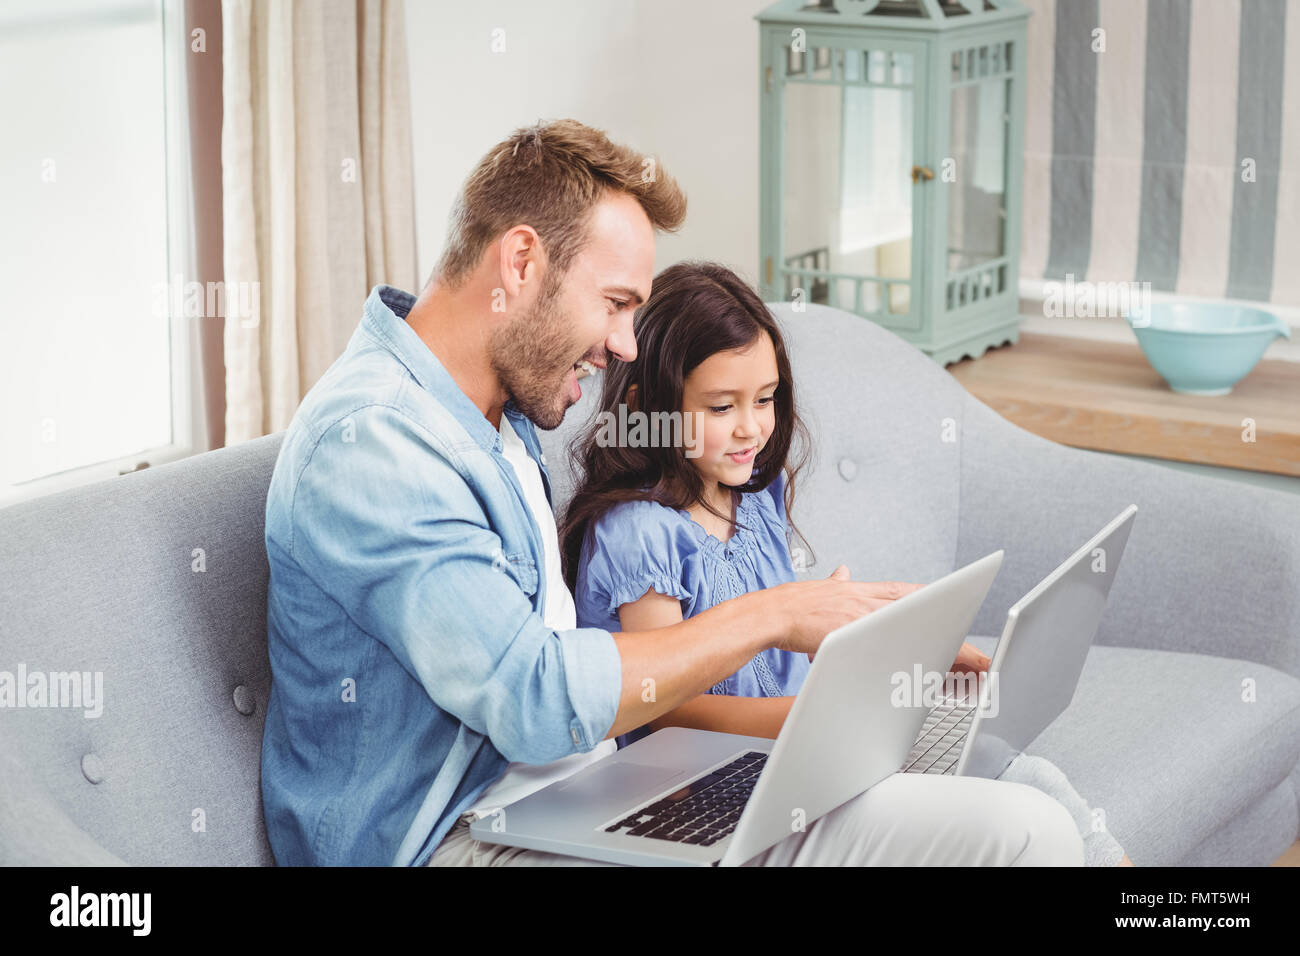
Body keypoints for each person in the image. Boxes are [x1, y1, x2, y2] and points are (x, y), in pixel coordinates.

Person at [260, 118, 1085, 866]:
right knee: (1022, 838)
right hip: (457, 842)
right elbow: (535, 699)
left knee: (995, 779)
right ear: (520, 262)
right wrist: (778, 614)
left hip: (592, 793)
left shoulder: (495, 419)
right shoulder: (373, 443)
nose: (623, 345)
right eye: (615, 305)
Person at [561, 260, 1132, 867]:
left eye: (765, 399)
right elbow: (668, 709)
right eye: (722, 407)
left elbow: (771, 620)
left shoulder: (754, 492)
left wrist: (871, 645)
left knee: (1033, 778)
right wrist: (820, 720)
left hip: (802, 757)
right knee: (998, 812)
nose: (751, 428)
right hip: (714, 786)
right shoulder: (639, 534)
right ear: (645, 407)